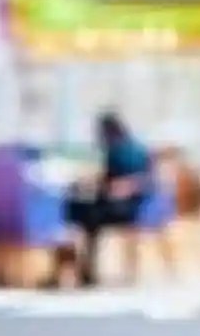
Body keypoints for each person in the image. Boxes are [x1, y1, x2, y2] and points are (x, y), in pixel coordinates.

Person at [57, 112, 153, 286]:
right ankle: (84, 268)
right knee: (84, 214)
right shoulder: (137, 148)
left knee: (77, 212)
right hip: (135, 206)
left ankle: (81, 268)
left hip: (124, 208)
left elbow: (112, 183)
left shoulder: (118, 151)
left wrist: (85, 185)